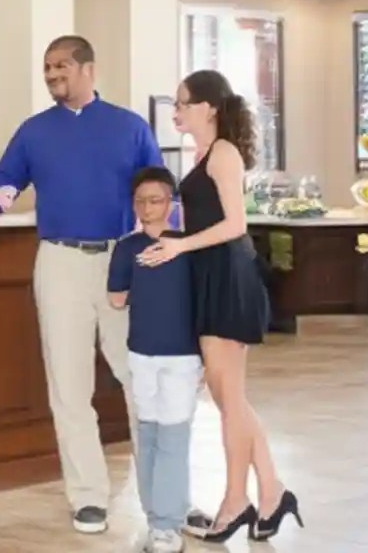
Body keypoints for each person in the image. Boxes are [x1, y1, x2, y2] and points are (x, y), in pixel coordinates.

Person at [0, 35, 212, 536]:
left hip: (123, 259)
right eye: (47, 68)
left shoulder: (129, 127)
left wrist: (173, 254)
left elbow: (159, 194)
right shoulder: (34, 131)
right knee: (69, 383)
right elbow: (1, 183)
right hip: (59, 262)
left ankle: (167, 497)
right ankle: (87, 497)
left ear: (88, 69)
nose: (52, 74)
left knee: (141, 378)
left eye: (61, 66)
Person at [137, 69, 299, 543]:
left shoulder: (223, 153)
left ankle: (240, 500)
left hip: (228, 274)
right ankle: (268, 492)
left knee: (229, 398)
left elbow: (234, 224)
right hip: (212, 273)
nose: (176, 112)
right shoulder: (204, 153)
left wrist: (179, 247)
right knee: (230, 397)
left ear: (209, 107)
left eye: (183, 103)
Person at [108, 168, 203, 553]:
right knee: (149, 434)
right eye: (141, 201)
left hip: (182, 357)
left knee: (173, 437)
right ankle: (158, 520)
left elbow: (121, 297)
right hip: (141, 355)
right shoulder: (127, 248)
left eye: (156, 200)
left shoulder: (189, 246)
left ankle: (167, 524)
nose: (148, 208)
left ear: (172, 203)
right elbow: (115, 298)